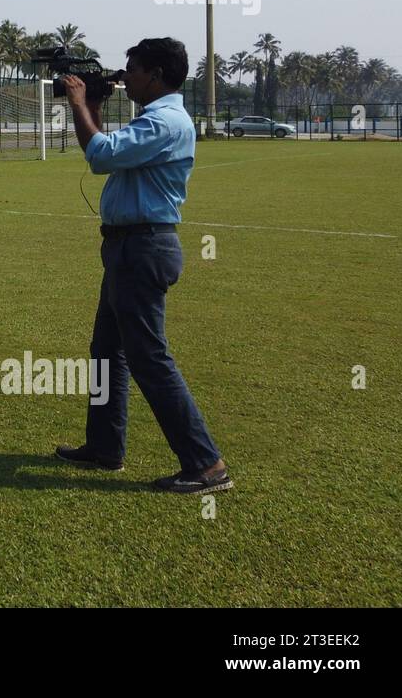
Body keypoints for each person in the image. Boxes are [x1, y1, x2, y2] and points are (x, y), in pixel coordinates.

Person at [56, 37, 232, 494]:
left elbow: (99, 156)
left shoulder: (165, 122)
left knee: (149, 357)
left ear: (155, 74)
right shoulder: (154, 119)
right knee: (107, 351)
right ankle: (104, 445)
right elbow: (105, 147)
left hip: (143, 248)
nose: (126, 75)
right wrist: (91, 105)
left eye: (132, 68)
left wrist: (78, 103)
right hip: (127, 248)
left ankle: (205, 464)